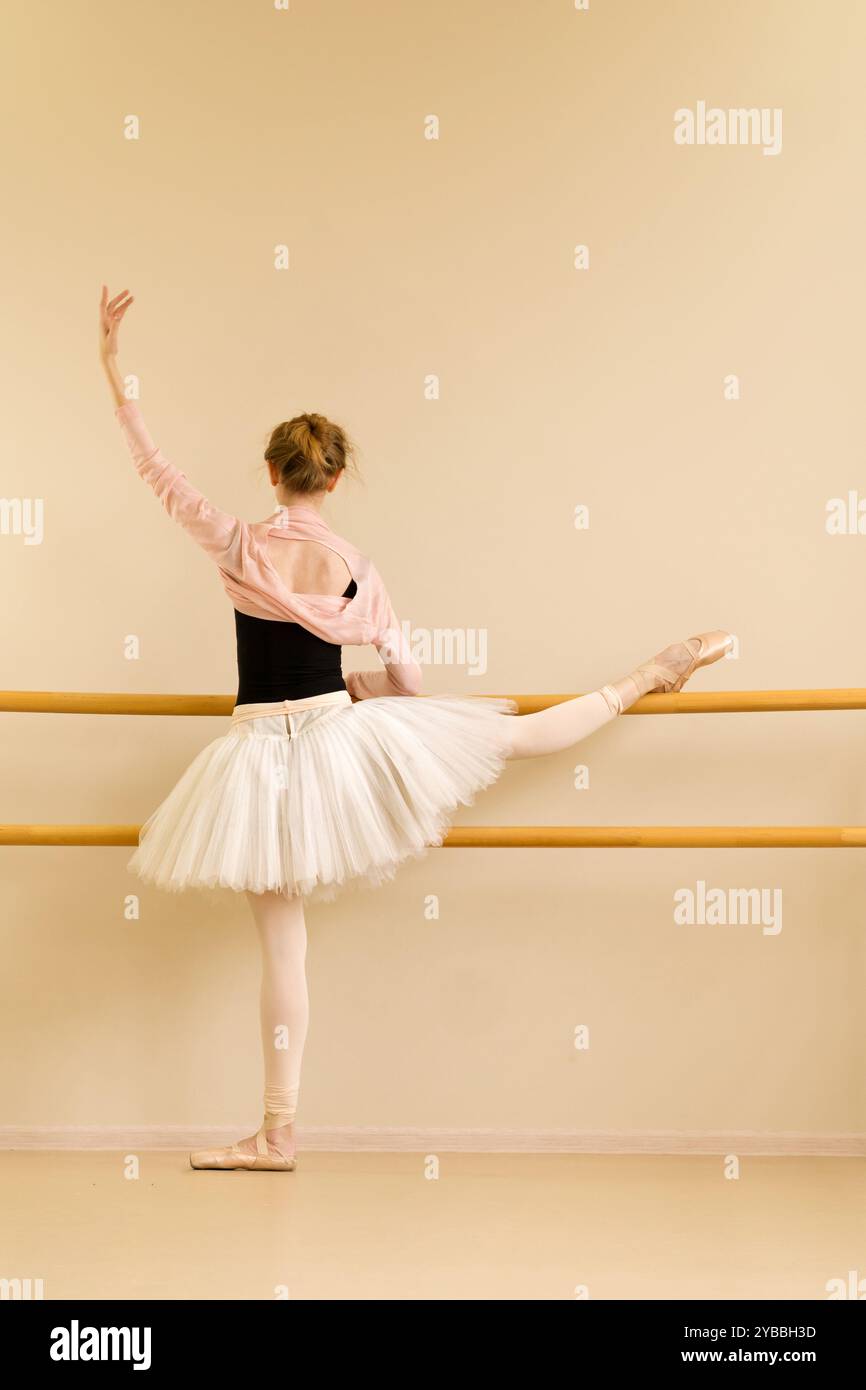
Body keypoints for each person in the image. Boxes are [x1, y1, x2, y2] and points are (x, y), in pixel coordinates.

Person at [99, 286, 732, 1172]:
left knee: (284, 946)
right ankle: (646, 676)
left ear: (272, 474)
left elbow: (157, 472)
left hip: (253, 754)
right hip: (335, 731)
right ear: (337, 478)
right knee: (508, 738)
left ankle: (277, 1132)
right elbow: (410, 680)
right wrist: (364, 686)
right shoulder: (358, 569)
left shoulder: (238, 544)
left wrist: (113, 366)